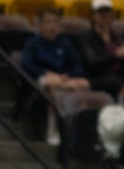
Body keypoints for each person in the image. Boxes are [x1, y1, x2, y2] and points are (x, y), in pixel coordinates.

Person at [16, 10, 89, 147]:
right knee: (53, 85)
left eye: (55, 22)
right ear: (40, 25)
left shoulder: (66, 44)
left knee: (84, 83)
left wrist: (68, 76)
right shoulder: (32, 43)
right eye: (48, 22)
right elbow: (27, 65)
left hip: (63, 78)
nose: (52, 26)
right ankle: (52, 131)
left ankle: (78, 131)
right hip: (40, 79)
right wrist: (46, 73)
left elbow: (78, 66)